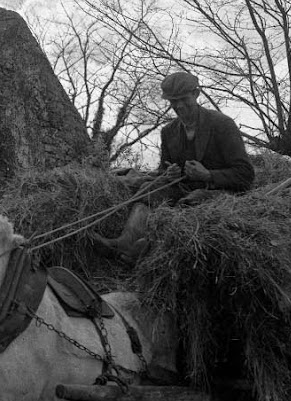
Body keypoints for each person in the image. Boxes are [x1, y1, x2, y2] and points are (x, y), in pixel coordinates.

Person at [91, 71, 255, 263]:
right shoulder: (168, 132)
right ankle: (126, 243)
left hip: (219, 192)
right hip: (182, 189)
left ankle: (150, 249)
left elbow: (245, 175)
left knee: (192, 201)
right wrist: (168, 174)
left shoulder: (222, 124)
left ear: (196, 94)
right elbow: (162, 170)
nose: (178, 106)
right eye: (172, 101)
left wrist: (208, 175)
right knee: (148, 190)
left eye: (183, 99)